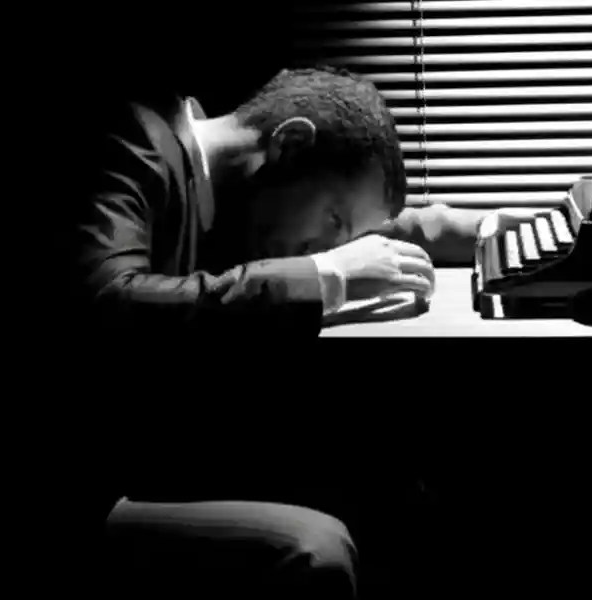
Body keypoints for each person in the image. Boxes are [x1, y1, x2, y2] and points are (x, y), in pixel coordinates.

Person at [56, 66, 536, 599]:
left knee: (396, 480)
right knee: (315, 544)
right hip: (95, 484)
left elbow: (388, 228)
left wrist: (513, 230)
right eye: (333, 221)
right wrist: (324, 275)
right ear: (289, 145)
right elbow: (109, 301)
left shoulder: (241, 195)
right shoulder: (127, 145)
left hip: (172, 448)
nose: (331, 245)